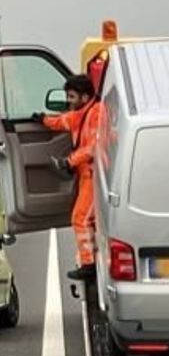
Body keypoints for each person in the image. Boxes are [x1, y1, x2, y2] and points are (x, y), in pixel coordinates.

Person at [32, 75, 101, 281]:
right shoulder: (82, 113)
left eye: (71, 97)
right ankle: (91, 260)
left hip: (94, 176)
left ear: (85, 97)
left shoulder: (96, 113)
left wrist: (69, 161)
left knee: (80, 218)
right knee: (86, 219)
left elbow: (93, 147)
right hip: (88, 175)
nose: (68, 101)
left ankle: (89, 265)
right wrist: (43, 120)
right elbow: (63, 121)